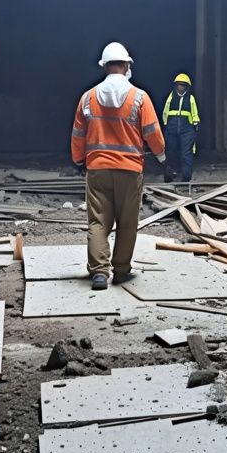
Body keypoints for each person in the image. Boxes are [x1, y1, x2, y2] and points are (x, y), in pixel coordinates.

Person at [70, 42, 167, 291]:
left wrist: (79, 159)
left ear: (105, 67)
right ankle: (121, 270)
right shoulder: (139, 97)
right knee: (127, 223)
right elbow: (152, 132)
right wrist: (161, 155)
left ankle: (99, 273)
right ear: (126, 65)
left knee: (98, 222)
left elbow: (78, 134)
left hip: (98, 169)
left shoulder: (88, 98)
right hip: (130, 170)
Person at [162, 72, 201, 182]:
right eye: (179, 84)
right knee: (171, 152)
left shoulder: (191, 98)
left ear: (187, 87)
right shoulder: (170, 97)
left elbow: (195, 112)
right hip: (172, 127)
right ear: (176, 85)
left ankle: (186, 177)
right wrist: (165, 125)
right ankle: (170, 175)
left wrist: (196, 123)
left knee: (186, 153)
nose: (181, 87)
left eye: (183, 85)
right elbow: (165, 111)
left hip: (187, 129)